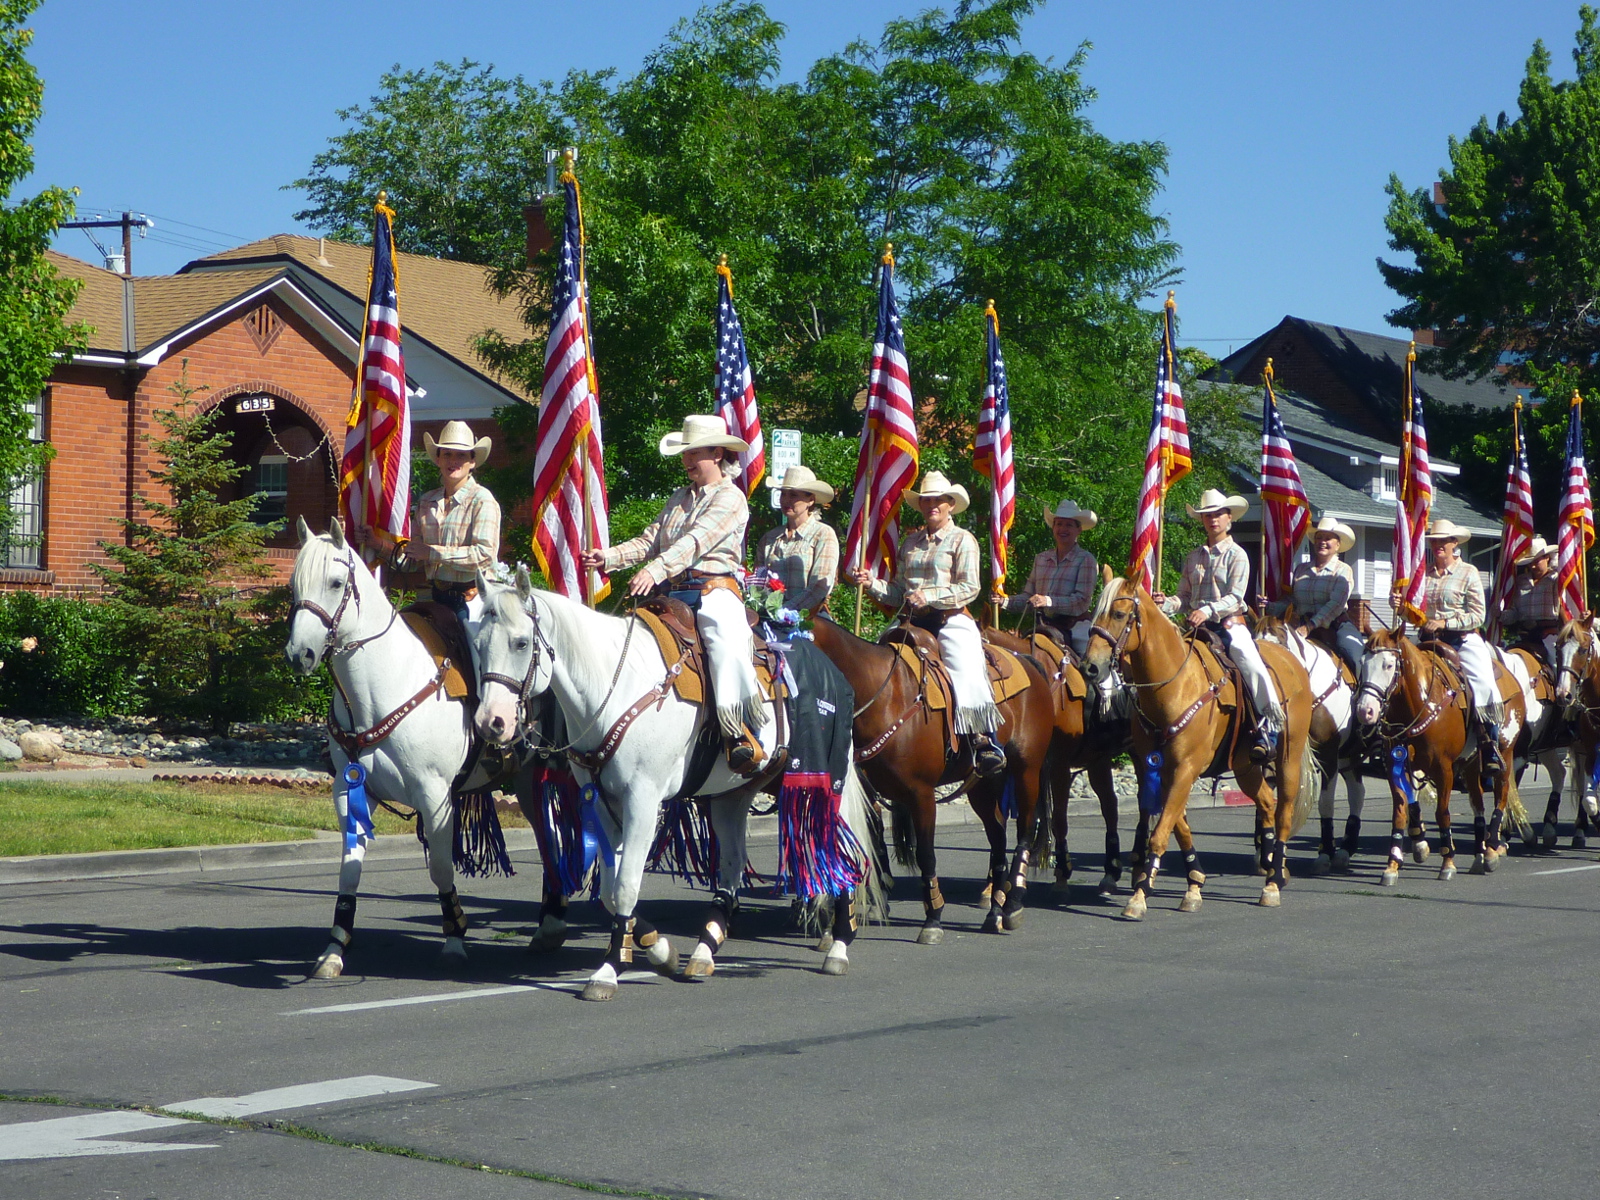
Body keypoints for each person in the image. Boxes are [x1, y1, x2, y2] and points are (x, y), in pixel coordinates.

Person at [580, 414, 767, 774]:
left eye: (694, 453)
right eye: (685, 454)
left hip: (715, 590)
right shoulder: (679, 497)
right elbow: (651, 539)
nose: (687, 461)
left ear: (717, 452)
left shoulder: (731, 497)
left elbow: (696, 542)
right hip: (673, 593)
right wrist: (609, 557)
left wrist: (654, 570)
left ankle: (739, 730)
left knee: (724, 641)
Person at [847, 471, 1005, 777]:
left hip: (950, 619)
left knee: (965, 666)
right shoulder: (911, 542)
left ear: (950, 504)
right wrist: (872, 583)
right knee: (871, 662)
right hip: (910, 620)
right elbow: (896, 591)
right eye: (926, 500)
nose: (932, 505)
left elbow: (970, 587)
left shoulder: (963, 539)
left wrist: (930, 596)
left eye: (938, 500)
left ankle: (982, 739)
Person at [1152, 488, 1284, 763]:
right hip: (1198, 628)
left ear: (1229, 518)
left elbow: (1236, 596)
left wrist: (1208, 609)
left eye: (1218, 514)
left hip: (1229, 625)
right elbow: (1183, 598)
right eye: (1207, 515)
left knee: (1249, 660)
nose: (1213, 520)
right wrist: (1164, 603)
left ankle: (1267, 725)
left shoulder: (1237, 554)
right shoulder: (1192, 557)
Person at [366, 419, 501, 637]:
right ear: (438, 459)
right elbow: (412, 561)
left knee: (478, 656)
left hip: (474, 600)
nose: (453, 461)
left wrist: (432, 553)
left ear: (472, 462)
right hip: (433, 597)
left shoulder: (482, 500)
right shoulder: (426, 502)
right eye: (447, 454)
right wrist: (378, 544)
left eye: (461, 455)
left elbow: (484, 555)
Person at [1419, 519, 1504, 770]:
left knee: (1484, 683)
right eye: (1434, 540)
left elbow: (1478, 615)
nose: (1438, 545)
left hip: (1463, 639)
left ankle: (1489, 743)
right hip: (1429, 641)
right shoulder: (1424, 575)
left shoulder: (1468, 572)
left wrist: (1444, 623)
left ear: (1454, 543)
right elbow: (1415, 613)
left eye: (1443, 540)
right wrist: (1400, 606)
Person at [1005, 499, 1098, 657]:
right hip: (1041, 625)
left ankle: (1101, 682)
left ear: (1079, 530)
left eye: (1068, 525)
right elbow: (1029, 597)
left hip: (1074, 626)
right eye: (1059, 524)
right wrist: (1004, 601)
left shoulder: (1086, 560)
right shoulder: (1041, 559)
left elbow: (1081, 601)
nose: (1062, 529)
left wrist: (1048, 601)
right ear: (1053, 527)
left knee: (1089, 662)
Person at [1272, 516, 1364, 671]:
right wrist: (1269, 605)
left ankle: (1360, 692)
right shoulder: (1301, 569)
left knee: (1355, 656)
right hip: (1301, 625)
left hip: (1335, 625)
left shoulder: (1343, 570)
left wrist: (1310, 626)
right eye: (1319, 537)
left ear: (1338, 544)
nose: (1322, 542)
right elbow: (1294, 601)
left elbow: (1335, 605)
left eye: (1328, 538)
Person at [755, 465, 840, 617]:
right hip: (768, 617)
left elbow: (820, 586)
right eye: (783, 494)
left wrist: (786, 611)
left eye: (793, 495)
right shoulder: (769, 539)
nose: (786, 500)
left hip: (810, 617)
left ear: (810, 500)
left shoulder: (823, 534)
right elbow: (757, 582)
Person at [1501, 537, 1560, 664]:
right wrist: (1501, 614)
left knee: (1556, 664)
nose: (1532, 566)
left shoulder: (1557, 580)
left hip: (1549, 634)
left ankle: (1559, 683)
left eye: (1536, 561)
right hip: (1525, 635)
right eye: (1530, 562)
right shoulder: (1520, 581)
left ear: (1547, 557)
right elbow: (1514, 613)